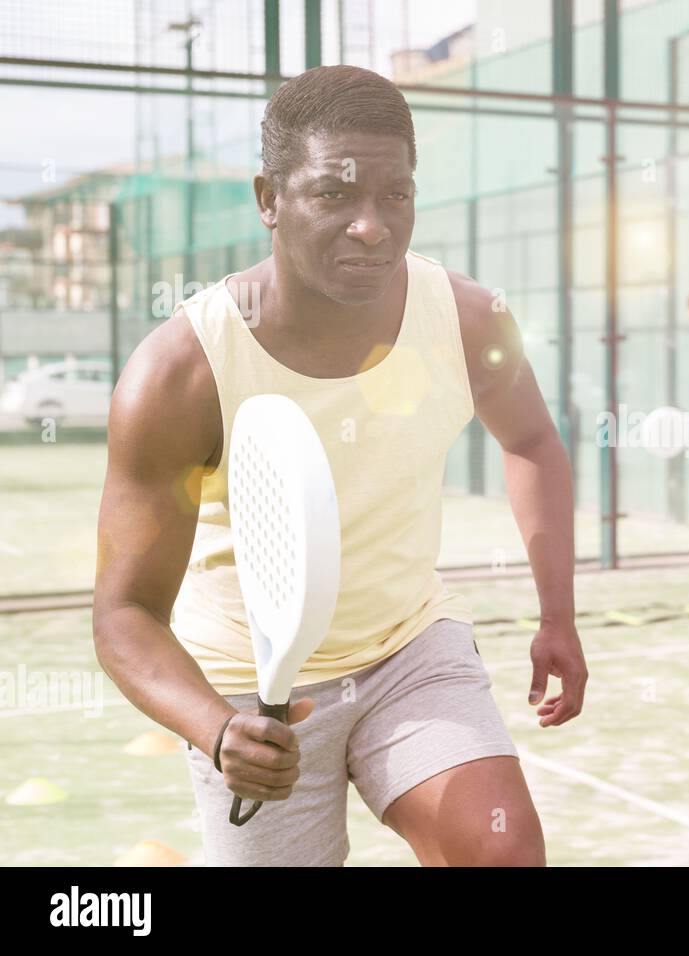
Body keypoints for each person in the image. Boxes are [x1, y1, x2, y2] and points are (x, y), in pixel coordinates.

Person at [92, 65, 587, 866]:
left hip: (409, 649)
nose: (372, 227)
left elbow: (533, 441)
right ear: (268, 199)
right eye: (334, 195)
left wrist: (556, 615)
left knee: (501, 853)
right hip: (250, 697)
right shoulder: (180, 373)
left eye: (396, 196)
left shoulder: (466, 320)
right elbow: (124, 615)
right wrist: (218, 729)